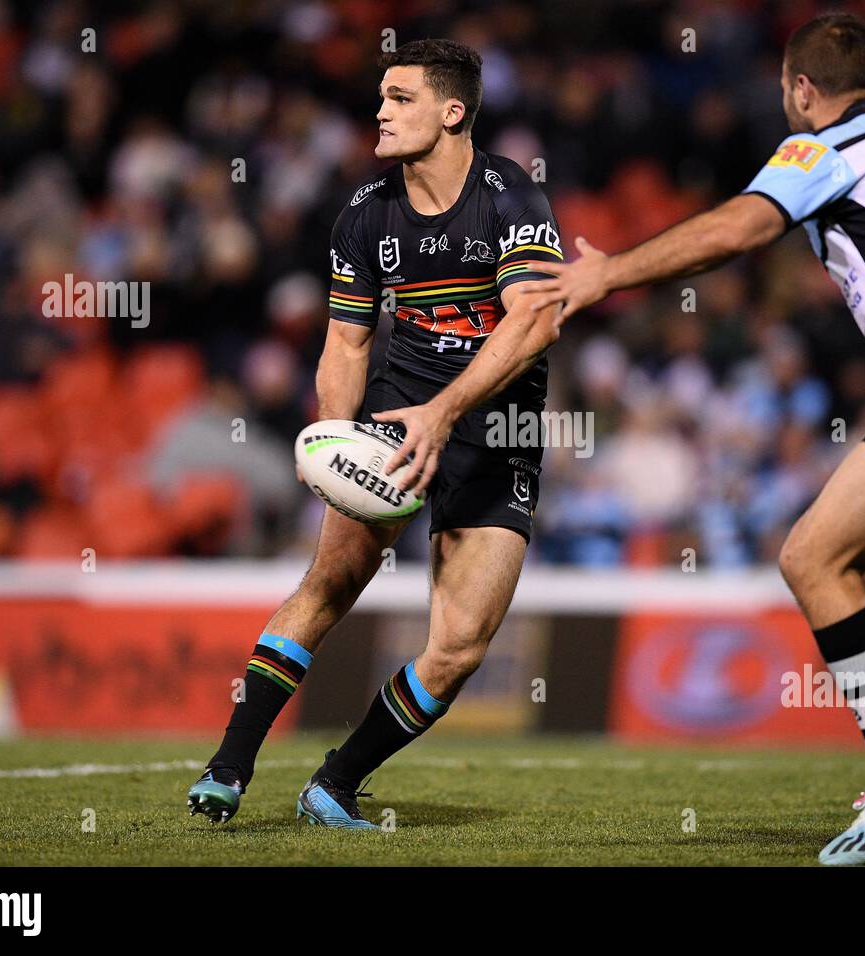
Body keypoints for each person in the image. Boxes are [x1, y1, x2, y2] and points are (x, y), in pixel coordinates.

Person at [530, 12, 865, 864]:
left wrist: (610, 273)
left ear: (800, 89)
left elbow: (736, 230)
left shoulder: (821, 150)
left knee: (810, 558)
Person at [187, 38, 564, 827]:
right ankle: (226, 768)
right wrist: (329, 435)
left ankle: (335, 780)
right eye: (381, 97)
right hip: (396, 423)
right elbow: (347, 344)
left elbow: (533, 322)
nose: (381, 112)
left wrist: (447, 413)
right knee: (328, 586)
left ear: (452, 112)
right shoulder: (365, 214)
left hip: (496, 434)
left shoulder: (512, 198)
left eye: (400, 98)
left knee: (459, 647)